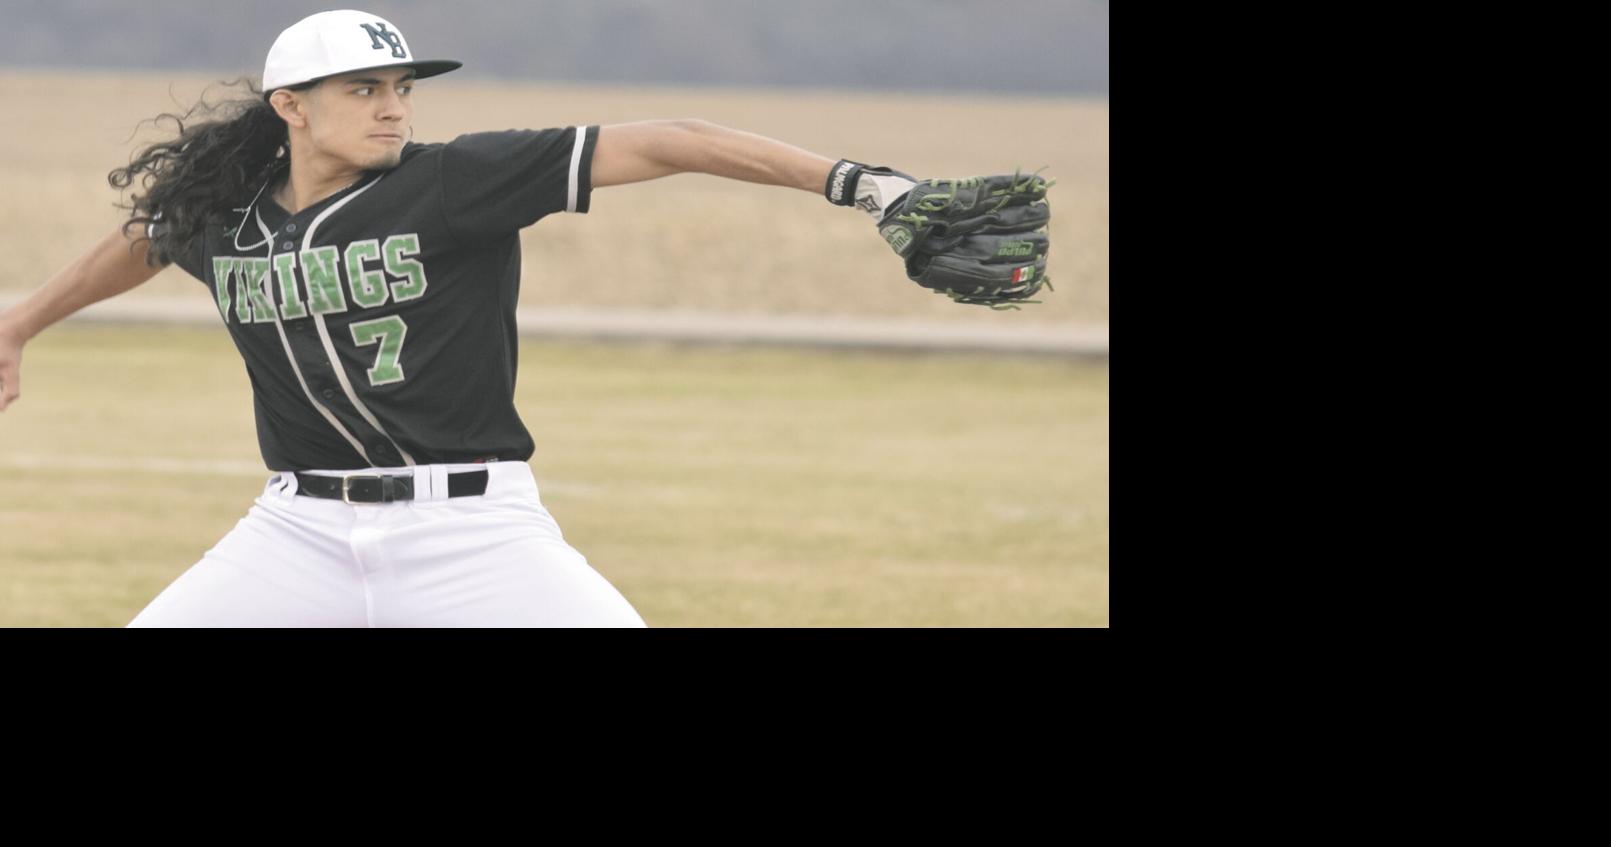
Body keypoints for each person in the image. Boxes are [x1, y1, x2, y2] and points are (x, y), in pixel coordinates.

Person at [0, 9, 921, 627]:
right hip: (296, 532)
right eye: (364, 89)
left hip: (473, 531)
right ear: (290, 107)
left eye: (402, 87)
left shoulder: (451, 183)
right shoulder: (225, 217)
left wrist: (858, 183)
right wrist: (21, 322)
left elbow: (669, 141)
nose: (393, 107)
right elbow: (146, 239)